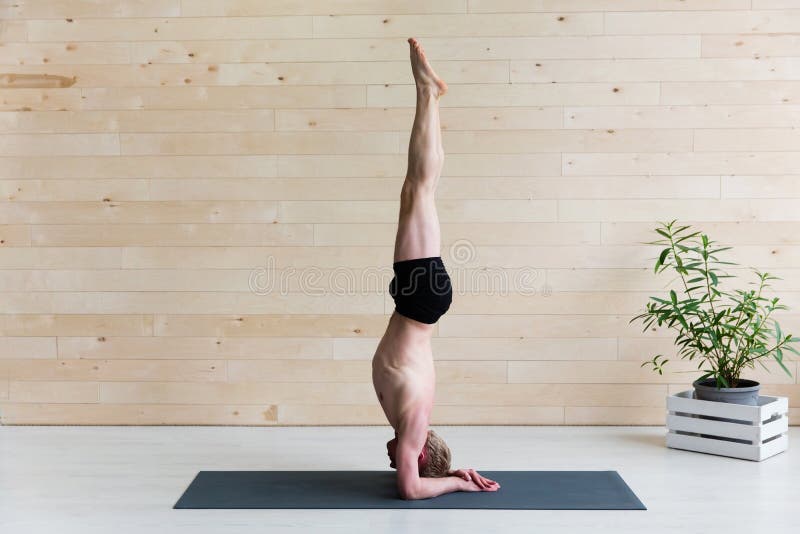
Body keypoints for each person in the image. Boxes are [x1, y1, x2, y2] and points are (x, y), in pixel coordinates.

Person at [371, 38, 501, 500]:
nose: (391, 461)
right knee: (419, 189)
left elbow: (410, 472)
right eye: (402, 459)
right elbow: (409, 489)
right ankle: (428, 93)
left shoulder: (413, 424)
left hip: (417, 302)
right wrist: (452, 482)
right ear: (420, 454)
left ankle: (428, 94)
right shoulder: (415, 424)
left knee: (416, 191)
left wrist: (451, 472)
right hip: (419, 300)